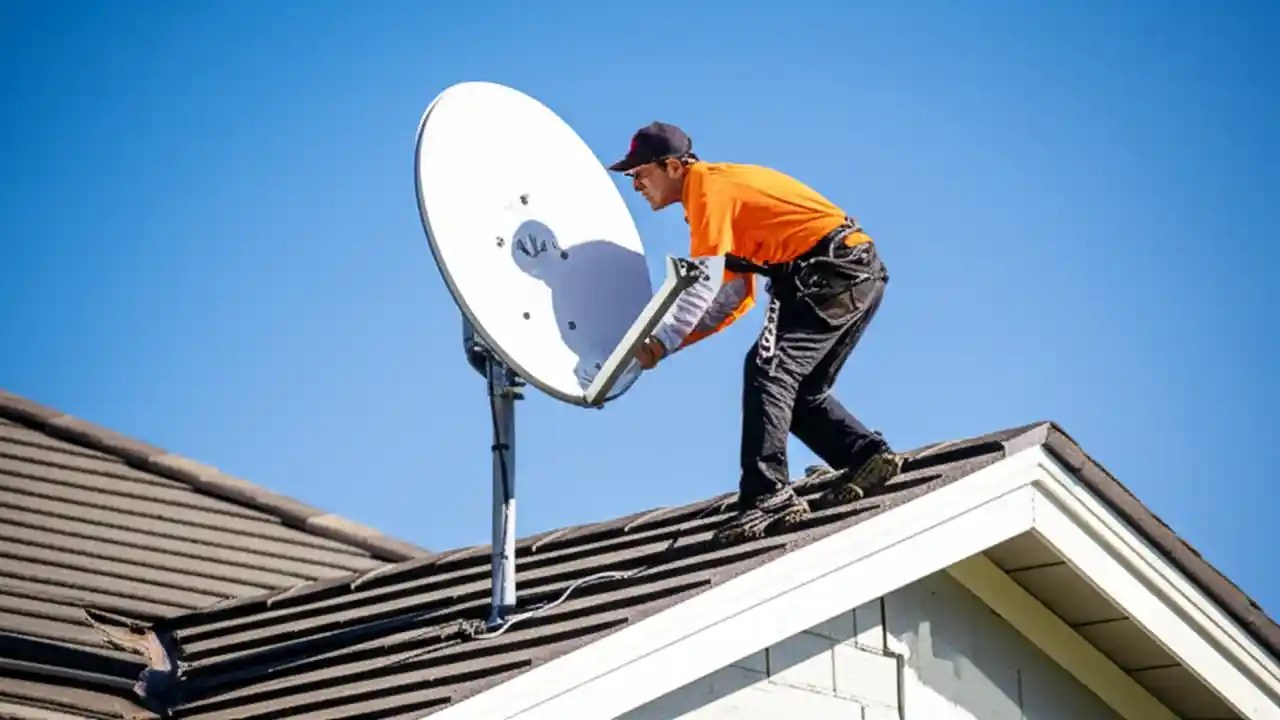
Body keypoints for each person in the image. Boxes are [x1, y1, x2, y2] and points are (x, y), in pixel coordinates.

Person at [607, 121, 904, 544]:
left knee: (769, 372)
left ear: (672, 166)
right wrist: (664, 346)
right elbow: (730, 299)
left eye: (639, 173)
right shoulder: (717, 201)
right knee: (796, 391)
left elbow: (704, 282)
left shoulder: (706, 188)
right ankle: (864, 457)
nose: (634, 184)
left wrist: (662, 340)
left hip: (827, 274)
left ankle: (767, 495)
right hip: (850, 273)